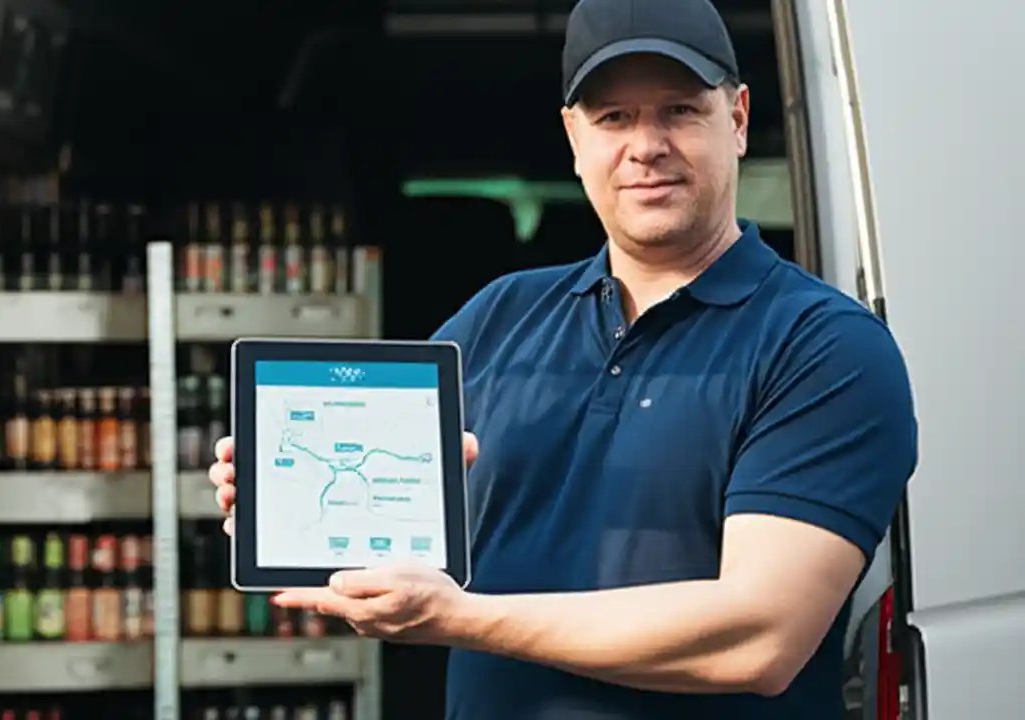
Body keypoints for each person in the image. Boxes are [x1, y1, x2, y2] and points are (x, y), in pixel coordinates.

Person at [208, 0, 919, 716]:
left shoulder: (825, 347)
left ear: (736, 120)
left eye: (678, 110)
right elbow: (379, 512)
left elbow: (758, 638)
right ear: (573, 138)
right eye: (613, 118)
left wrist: (458, 619)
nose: (646, 146)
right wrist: (285, 503)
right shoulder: (498, 319)